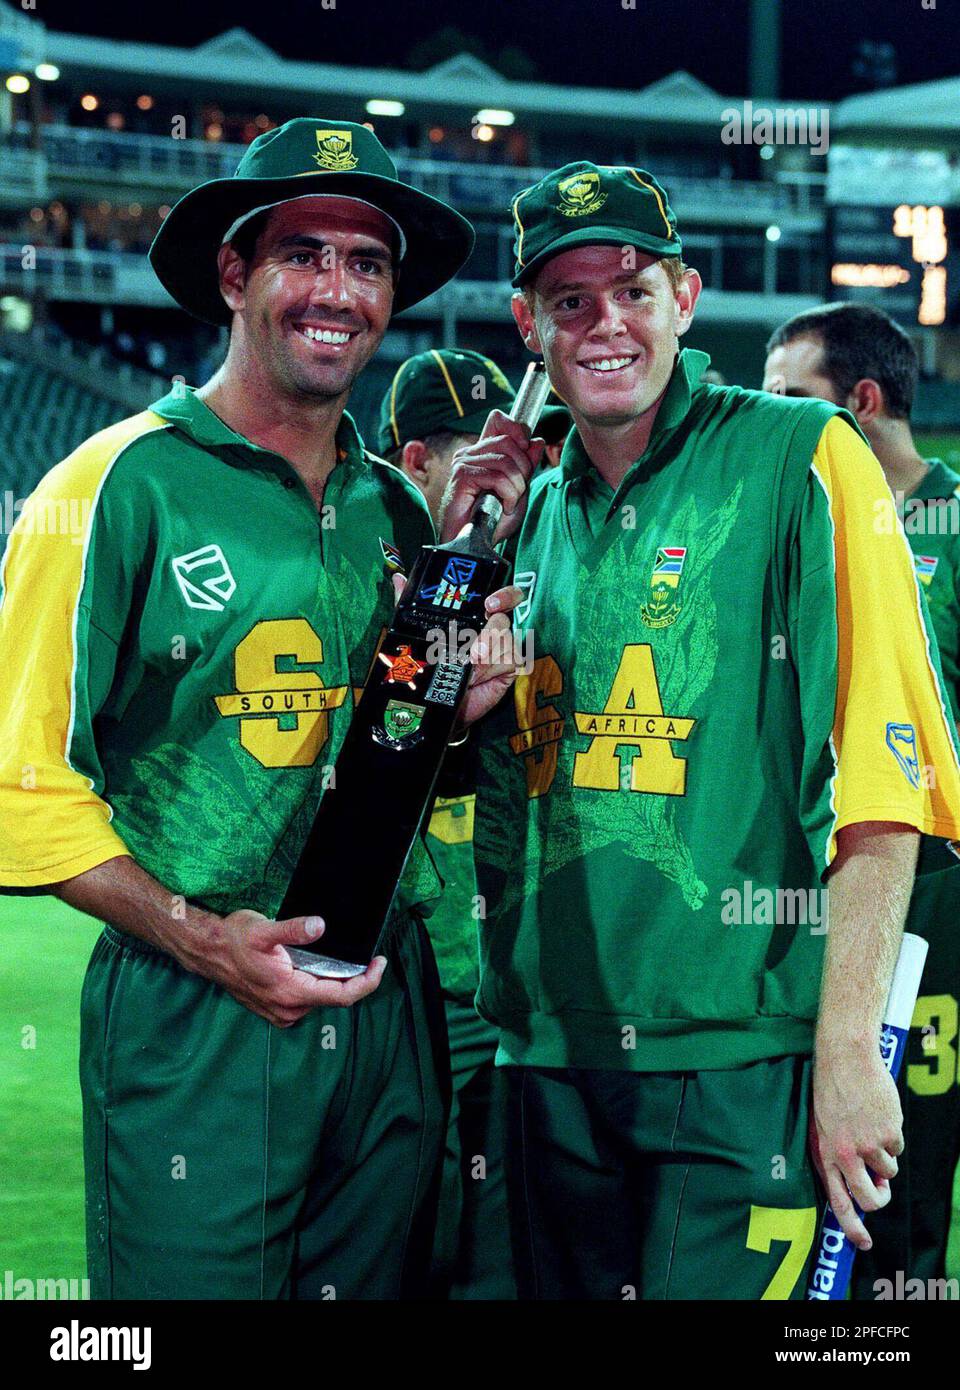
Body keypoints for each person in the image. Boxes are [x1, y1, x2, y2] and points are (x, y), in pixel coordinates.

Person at [0, 117, 532, 1300]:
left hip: (386, 1006)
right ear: (236, 275)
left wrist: (464, 705)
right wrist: (203, 938)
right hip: (197, 1008)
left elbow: (390, 754)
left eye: (367, 262)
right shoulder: (106, 486)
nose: (335, 291)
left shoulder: (401, 512)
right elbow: (18, 787)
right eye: (304, 253)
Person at [438, 160, 960, 1299]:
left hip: (740, 1063)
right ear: (528, 325)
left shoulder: (803, 454)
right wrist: (453, 568)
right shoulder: (513, 514)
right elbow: (444, 771)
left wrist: (846, 1056)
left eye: (633, 288)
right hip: (543, 1062)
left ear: (687, 294)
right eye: (569, 302)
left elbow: (888, 775)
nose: (605, 323)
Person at [765, 302, 960, 1295]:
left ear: (863, 402)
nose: (770, 420)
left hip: (931, 903)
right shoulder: (782, 526)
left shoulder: (952, 525)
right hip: (806, 906)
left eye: (791, 397)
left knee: (901, 1180)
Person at [377, 347, 522, 1299]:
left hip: (512, 998)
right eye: (472, 460)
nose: (496, 485)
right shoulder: (381, 582)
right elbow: (386, 749)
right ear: (417, 458)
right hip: (411, 981)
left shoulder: (533, 574)